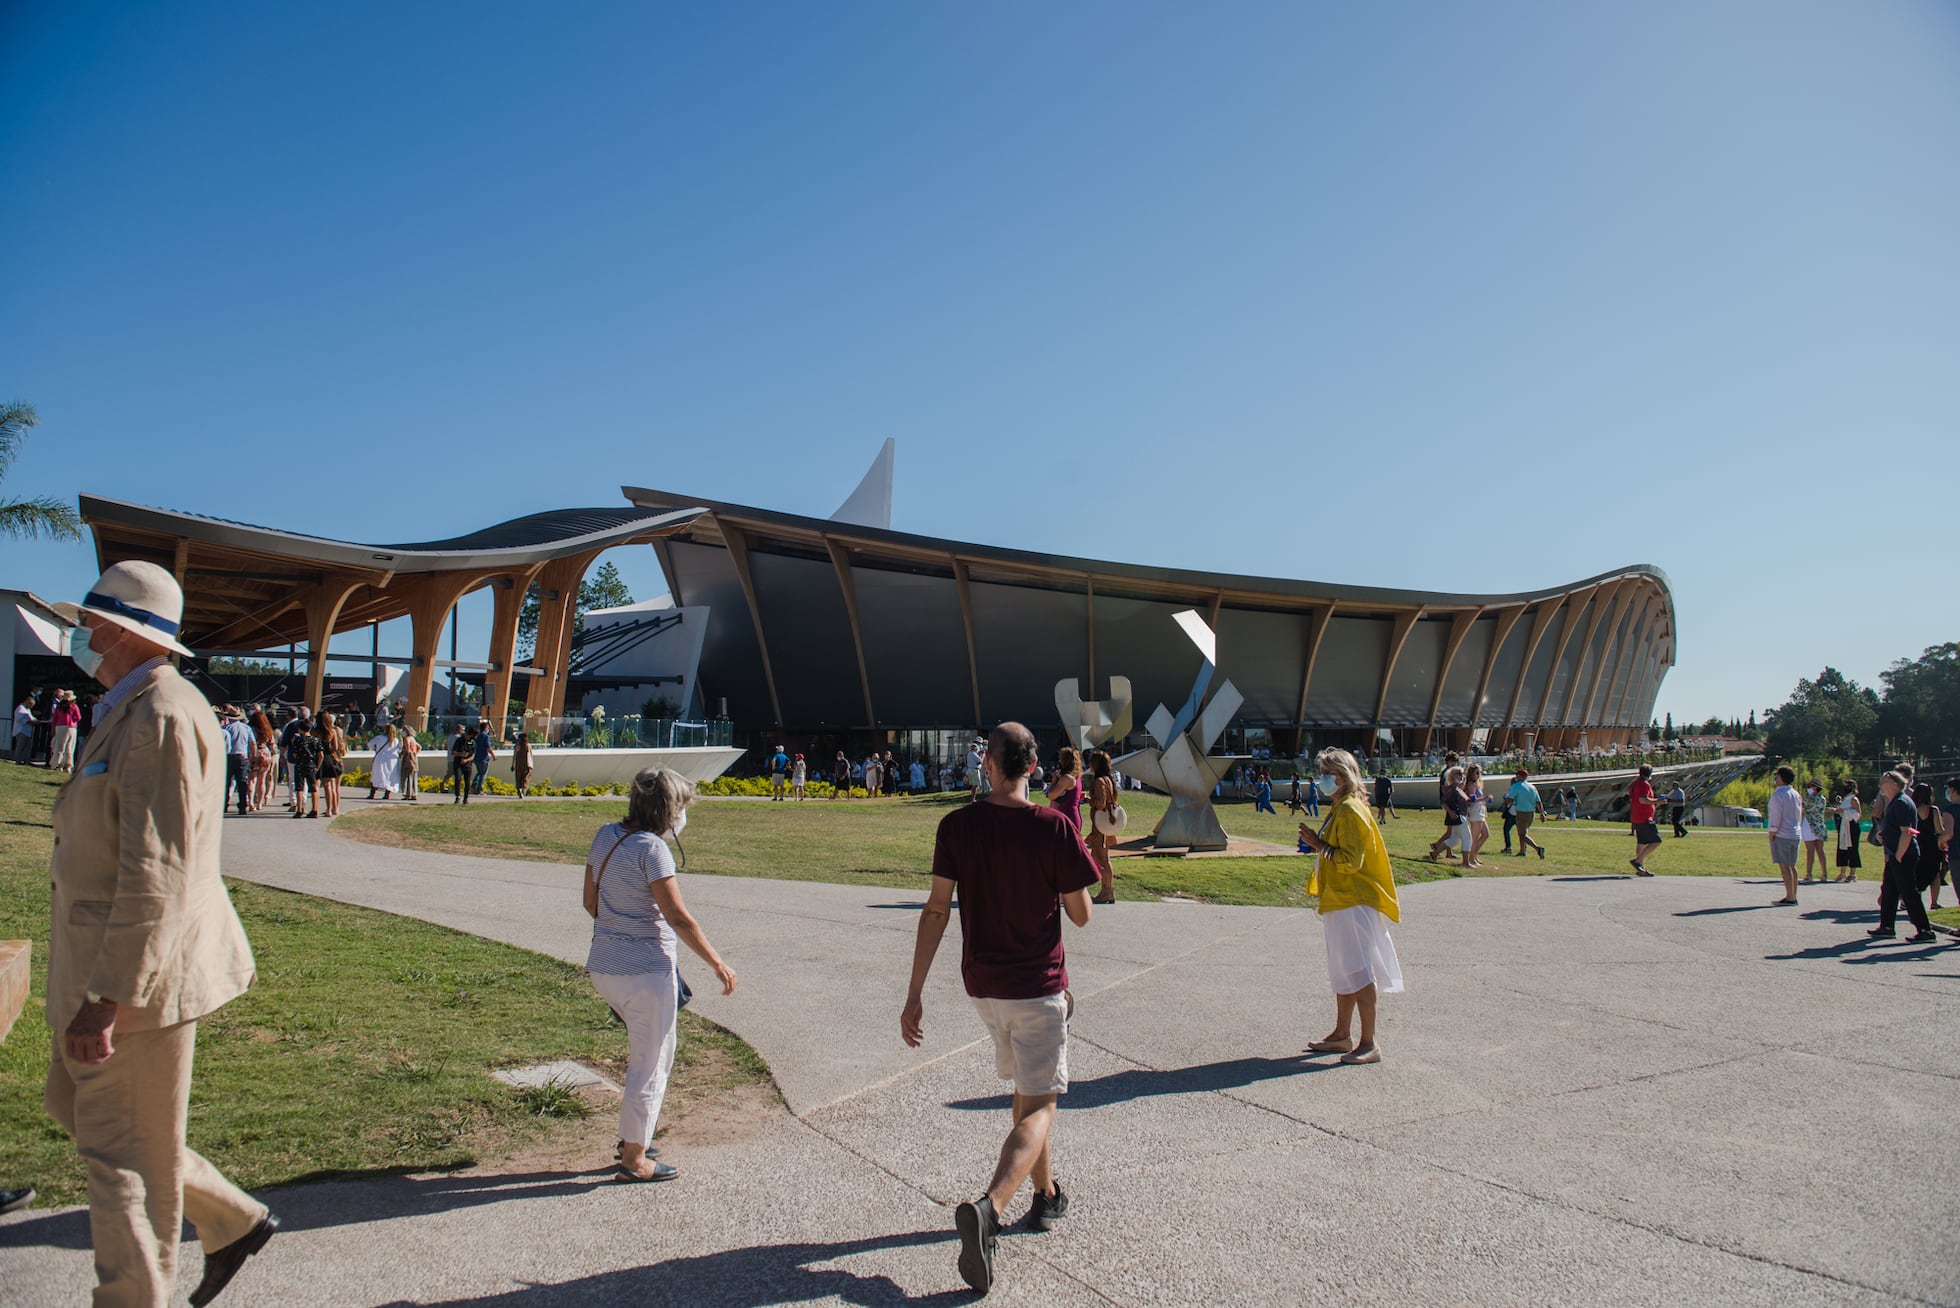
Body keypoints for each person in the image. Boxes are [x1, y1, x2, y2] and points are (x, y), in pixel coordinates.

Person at [45, 560, 278, 1306]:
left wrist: (108, 997)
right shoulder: (131, 704)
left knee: (122, 1168)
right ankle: (230, 1218)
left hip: (136, 984)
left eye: (90, 624)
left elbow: (160, 873)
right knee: (76, 1109)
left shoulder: (162, 714)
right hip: (107, 969)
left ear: (121, 629)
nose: (82, 635)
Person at [900, 722, 1098, 1295]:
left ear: (987, 763)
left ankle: (1046, 1195)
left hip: (984, 988)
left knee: (1027, 1091)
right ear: (1033, 767)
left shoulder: (955, 825)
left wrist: (913, 994)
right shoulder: (1054, 827)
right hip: (1036, 986)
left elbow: (937, 911)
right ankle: (989, 1209)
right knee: (1041, 1107)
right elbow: (1081, 915)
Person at [585, 768, 738, 1183]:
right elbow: (678, 918)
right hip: (646, 973)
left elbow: (589, 900)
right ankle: (634, 1158)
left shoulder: (605, 836)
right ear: (669, 809)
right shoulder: (653, 850)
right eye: (682, 806)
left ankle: (637, 1135)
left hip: (604, 967)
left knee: (645, 1055)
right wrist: (717, 962)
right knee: (652, 1063)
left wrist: (619, 927)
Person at [1298, 747, 1402, 1066]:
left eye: (1326, 774)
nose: (1321, 780)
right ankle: (1342, 1034)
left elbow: (1350, 861)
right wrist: (1319, 844)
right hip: (1339, 900)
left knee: (1358, 970)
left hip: (1353, 901)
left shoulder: (1351, 811)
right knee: (1343, 970)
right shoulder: (1340, 807)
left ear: (1342, 779)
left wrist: (1318, 845)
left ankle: (1368, 1042)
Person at [1867, 770, 1933, 942]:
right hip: (1894, 854)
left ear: (1896, 784)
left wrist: (1898, 856)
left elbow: (1907, 832)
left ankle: (1925, 930)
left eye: (1885, 782)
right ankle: (1887, 926)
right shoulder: (1894, 802)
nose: (1881, 784)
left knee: (1909, 892)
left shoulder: (1901, 803)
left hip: (1903, 855)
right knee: (1889, 891)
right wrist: (1885, 836)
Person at [1765, 765, 1802, 905]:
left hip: (1782, 833)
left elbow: (1776, 816)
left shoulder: (1778, 795)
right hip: (1795, 833)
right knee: (1792, 865)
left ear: (1780, 777)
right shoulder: (1796, 794)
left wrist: (1772, 832)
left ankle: (1790, 896)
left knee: (1784, 866)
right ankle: (1793, 895)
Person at [1085, 749, 1118, 904]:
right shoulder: (1108, 779)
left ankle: (1107, 891)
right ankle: (1106, 890)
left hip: (1100, 827)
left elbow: (1100, 803)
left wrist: (1089, 800)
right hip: (1105, 825)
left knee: (1102, 859)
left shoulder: (1099, 781)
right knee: (1102, 858)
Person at [1915, 782, 1951, 911]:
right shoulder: (1933, 810)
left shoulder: (1912, 808)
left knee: (1916, 872)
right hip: (1931, 844)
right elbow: (1939, 829)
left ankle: (1913, 900)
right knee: (1934, 873)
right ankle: (1934, 902)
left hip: (1916, 842)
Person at [1425, 766, 1469, 864]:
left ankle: (1435, 853)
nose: (1462, 776)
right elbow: (1444, 801)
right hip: (1457, 816)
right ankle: (1466, 862)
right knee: (1466, 837)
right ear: (1454, 776)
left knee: (1455, 839)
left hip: (1459, 815)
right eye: (1460, 774)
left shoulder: (1457, 787)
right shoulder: (1452, 788)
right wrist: (1451, 812)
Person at [1627, 764, 1661, 877]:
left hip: (1636, 815)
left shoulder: (1635, 783)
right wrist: (1657, 801)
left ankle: (1641, 869)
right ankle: (1638, 861)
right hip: (1644, 817)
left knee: (1641, 842)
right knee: (1656, 841)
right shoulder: (1644, 784)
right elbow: (1643, 799)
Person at [287, 713, 324, 818]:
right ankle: (315, 809)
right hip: (311, 765)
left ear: (301, 729)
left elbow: (294, 754)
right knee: (313, 788)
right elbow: (321, 754)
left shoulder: (298, 740)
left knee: (299, 788)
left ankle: (299, 809)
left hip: (300, 765)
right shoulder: (315, 740)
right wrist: (317, 765)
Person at [1506, 767, 1546, 859]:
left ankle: (1537, 848)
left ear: (1519, 776)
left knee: (1522, 834)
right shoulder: (1532, 787)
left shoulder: (1516, 786)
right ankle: (1522, 851)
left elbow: (1510, 799)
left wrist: (1506, 802)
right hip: (1531, 812)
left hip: (1521, 812)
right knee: (1523, 832)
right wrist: (1542, 813)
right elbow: (1538, 801)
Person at [1798, 779, 1831, 884]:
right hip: (1820, 825)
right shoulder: (1823, 799)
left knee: (1810, 850)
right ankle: (1824, 874)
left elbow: (1802, 808)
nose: (1809, 787)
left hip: (1809, 824)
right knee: (1820, 850)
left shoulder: (1808, 799)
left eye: (1811, 786)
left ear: (1815, 787)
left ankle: (1809, 873)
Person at [316, 713, 346, 817]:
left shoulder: (315, 732)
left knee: (316, 784)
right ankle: (330, 809)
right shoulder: (332, 732)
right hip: (328, 758)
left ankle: (315, 807)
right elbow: (335, 747)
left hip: (318, 758)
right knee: (329, 785)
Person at [1831, 783, 1862, 882]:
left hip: (1852, 827)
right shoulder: (1846, 799)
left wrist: (1844, 811)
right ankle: (1842, 873)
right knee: (1842, 848)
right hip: (1844, 826)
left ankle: (1852, 874)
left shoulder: (1854, 799)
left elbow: (1858, 814)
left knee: (1852, 848)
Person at [248, 710, 278, 811]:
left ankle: (251, 802)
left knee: (252, 780)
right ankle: (260, 804)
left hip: (255, 754)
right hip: (265, 754)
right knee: (262, 781)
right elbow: (273, 745)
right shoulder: (268, 730)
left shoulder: (251, 729)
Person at [1048, 746, 1083, 831]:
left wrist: (1054, 780)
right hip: (1070, 815)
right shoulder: (1076, 777)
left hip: (1066, 816)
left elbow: (1051, 795)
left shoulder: (1067, 778)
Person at [1462, 764, 1490, 868]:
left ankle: (1474, 855)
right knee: (1475, 836)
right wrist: (1484, 798)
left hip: (1481, 810)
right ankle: (1471, 858)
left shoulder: (1477, 784)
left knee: (1485, 834)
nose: (1479, 775)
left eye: (1480, 773)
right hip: (1475, 811)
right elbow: (1471, 800)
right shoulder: (1470, 785)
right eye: (1477, 773)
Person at [47, 688, 81, 772]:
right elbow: (78, 717)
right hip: (71, 727)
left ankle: (57, 764)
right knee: (70, 747)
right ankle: (68, 765)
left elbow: (55, 719)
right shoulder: (74, 706)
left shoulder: (59, 707)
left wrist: (53, 728)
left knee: (59, 746)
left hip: (60, 727)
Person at [369, 724, 402, 800]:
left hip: (380, 758)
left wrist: (376, 749)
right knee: (390, 776)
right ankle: (387, 794)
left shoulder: (379, 738)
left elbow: (370, 744)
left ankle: (372, 793)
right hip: (392, 761)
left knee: (377, 775)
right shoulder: (396, 740)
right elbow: (399, 749)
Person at [451, 725, 476, 805]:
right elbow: (453, 752)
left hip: (467, 764)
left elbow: (473, 755)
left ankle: (466, 798)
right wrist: (461, 754)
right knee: (458, 779)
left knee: (467, 781)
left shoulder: (473, 743)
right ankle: (458, 796)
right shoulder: (459, 740)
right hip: (458, 763)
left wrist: (466, 760)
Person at [470, 722, 496, 795]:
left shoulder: (477, 736)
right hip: (483, 757)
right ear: (485, 728)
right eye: (488, 728)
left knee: (479, 772)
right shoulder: (486, 736)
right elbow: (488, 747)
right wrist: (493, 755)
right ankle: (479, 789)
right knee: (483, 774)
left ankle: (474, 785)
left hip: (476, 757)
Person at [12, 691, 34, 764]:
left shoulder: (27, 709)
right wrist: (29, 721)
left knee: (28, 747)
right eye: (30, 705)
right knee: (20, 746)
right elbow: (20, 718)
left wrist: (35, 720)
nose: (31, 707)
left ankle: (26, 761)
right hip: (21, 731)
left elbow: (31, 717)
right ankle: (18, 760)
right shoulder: (20, 708)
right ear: (27, 702)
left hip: (27, 731)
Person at [511, 731, 533, 797]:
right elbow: (530, 756)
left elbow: (514, 756)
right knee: (525, 778)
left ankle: (519, 790)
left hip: (518, 764)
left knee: (518, 778)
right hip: (527, 764)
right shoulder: (528, 746)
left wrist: (512, 765)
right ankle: (523, 790)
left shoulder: (517, 746)